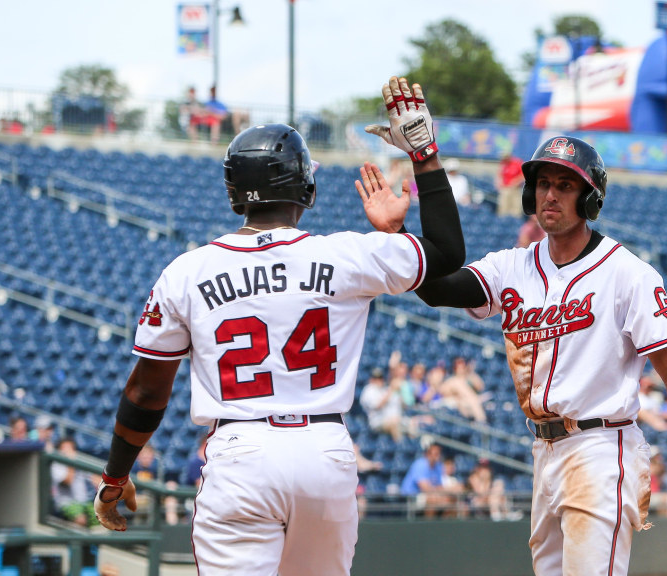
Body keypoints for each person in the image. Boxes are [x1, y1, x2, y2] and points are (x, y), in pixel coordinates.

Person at [92, 76, 464, 576]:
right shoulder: (347, 253)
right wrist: (422, 154)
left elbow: (145, 391)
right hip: (325, 453)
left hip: (241, 453)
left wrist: (116, 474)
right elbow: (447, 253)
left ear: (233, 191)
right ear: (305, 185)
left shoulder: (187, 270)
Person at [387, 136, 667, 575]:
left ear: (591, 198)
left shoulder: (627, 273)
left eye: (566, 185)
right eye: (543, 183)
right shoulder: (512, 266)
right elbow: (439, 289)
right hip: (544, 450)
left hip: (601, 448)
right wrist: (397, 235)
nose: (550, 194)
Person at [399, 442, 455, 518]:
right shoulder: (420, 464)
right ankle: (429, 527)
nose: (437, 456)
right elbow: (425, 488)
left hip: (430, 494)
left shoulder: (438, 466)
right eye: (435, 453)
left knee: (451, 501)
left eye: (439, 453)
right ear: (428, 454)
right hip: (411, 497)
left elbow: (439, 486)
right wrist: (443, 491)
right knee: (433, 500)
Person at [52, 437, 99, 527]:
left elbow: (94, 477)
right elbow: (67, 481)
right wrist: (71, 463)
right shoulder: (56, 465)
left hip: (83, 502)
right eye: (65, 449)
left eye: (71, 449)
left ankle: (98, 541)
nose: (69, 452)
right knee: (80, 520)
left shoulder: (79, 461)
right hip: (66, 503)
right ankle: (78, 541)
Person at [359, 367, 406, 441]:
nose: (378, 380)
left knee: (412, 424)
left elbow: (403, 405)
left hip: (388, 419)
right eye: (376, 378)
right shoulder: (369, 389)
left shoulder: (383, 389)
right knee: (394, 424)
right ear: (371, 379)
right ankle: (402, 446)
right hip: (376, 421)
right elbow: (378, 406)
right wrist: (391, 390)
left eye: (380, 378)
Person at [494, 149, 525, 216]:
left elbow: (523, 175)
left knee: (516, 209)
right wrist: (498, 182)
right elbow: (499, 175)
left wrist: (516, 181)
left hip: (515, 189)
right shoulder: (503, 164)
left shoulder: (517, 163)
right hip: (505, 188)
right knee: (503, 208)